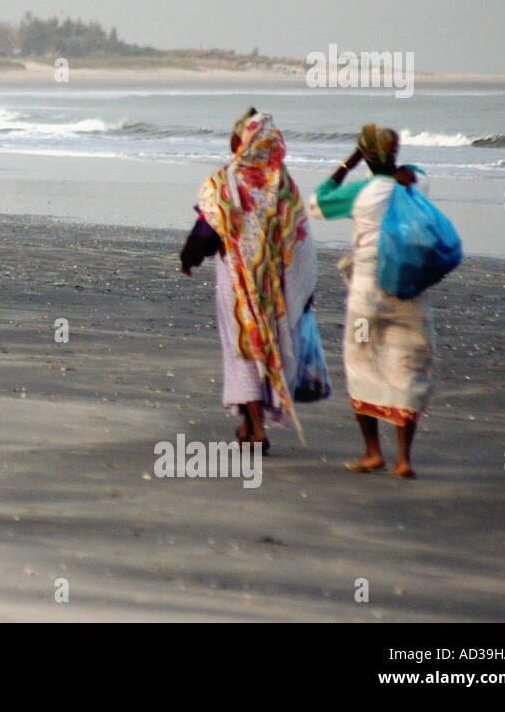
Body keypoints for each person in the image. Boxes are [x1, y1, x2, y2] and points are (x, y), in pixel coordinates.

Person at [180, 109, 316, 452]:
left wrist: (189, 257)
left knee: (244, 349)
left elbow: (207, 231)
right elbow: (299, 240)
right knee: (267, 347)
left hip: (238, 285)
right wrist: (303, 288)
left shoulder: (226, 182)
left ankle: (257, 429)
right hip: (277, 287)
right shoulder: (283, 185)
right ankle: (247, 422)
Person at [309, 124, 433, 478]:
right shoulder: (413, 184)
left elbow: (316, 203)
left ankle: (372, 452)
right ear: (395, 154)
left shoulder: (359, 193)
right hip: (409, 294)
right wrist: (400, 167)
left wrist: (347, 165)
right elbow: (422, 174)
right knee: (407, 364)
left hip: (365, 298)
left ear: (364, 155)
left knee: (360, 361)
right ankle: (404, 458)